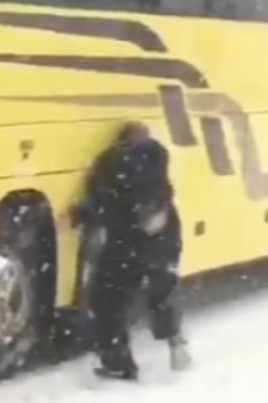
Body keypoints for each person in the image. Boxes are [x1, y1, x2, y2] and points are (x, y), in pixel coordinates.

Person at [71, 121, 191, 380]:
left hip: (127, 244)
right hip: (165, 239)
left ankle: (118, 363)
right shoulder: (158, 161)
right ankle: (176, 342)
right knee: (162, 291)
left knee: (109, 301)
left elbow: (106, 203)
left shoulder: (113, 163)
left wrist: (77, 215)